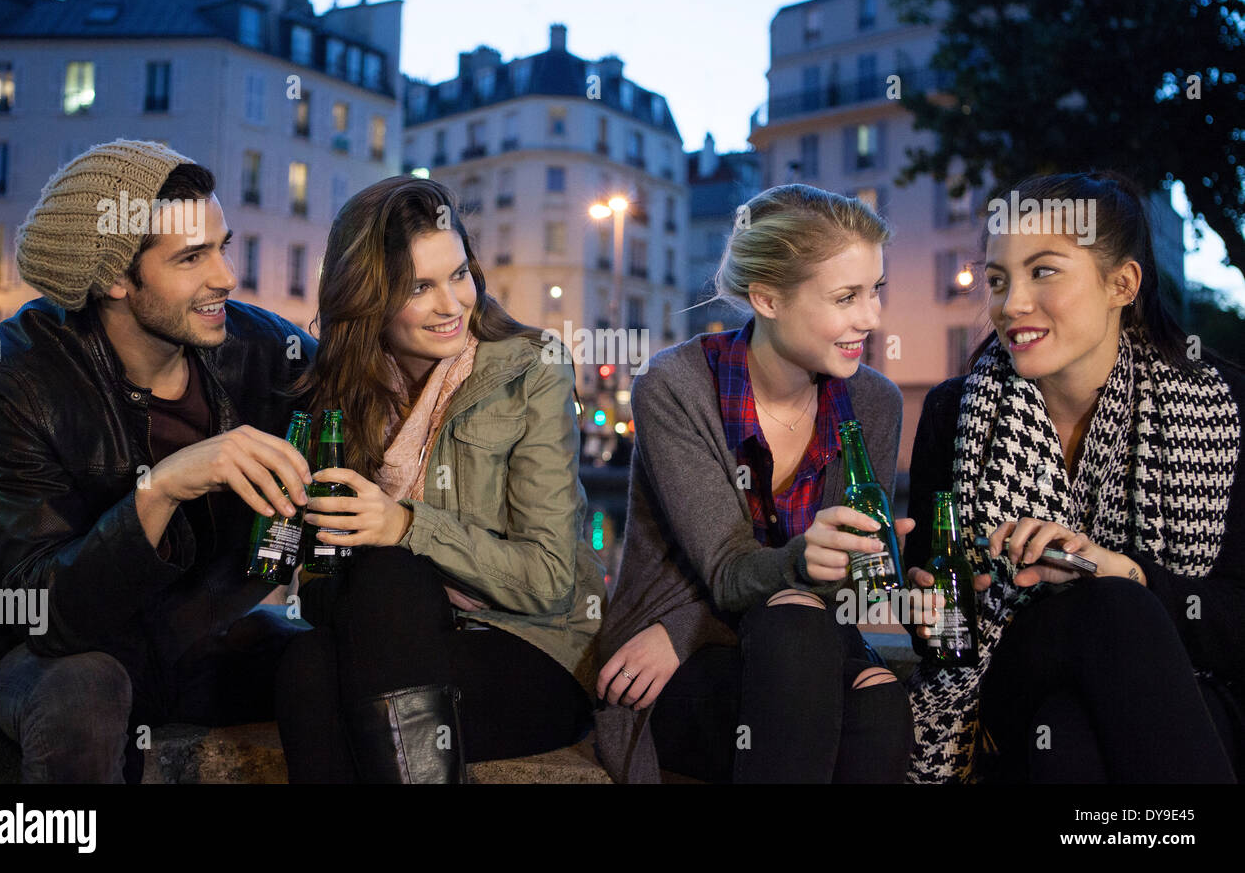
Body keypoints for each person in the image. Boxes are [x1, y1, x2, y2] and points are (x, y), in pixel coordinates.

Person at [0, 139, 317, 782]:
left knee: (333, 660)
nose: (225, 276)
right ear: (116, 277)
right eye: (191, 257)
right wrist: (162, 488)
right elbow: (46, 611)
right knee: (84, 689)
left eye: (222, 246)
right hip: (46, 653)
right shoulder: (18, 377)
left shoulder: (264, 348)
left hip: (196, 646)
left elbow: (377, 383)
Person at [906, 171, 1244, 783]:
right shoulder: (953, 413)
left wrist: (1126, 572)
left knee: (1066, 743)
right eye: (998, 279)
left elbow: (1235, 621)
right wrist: (929, 602)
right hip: (1005, 680)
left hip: (1185, 691)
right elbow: (936, 628)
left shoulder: (1225, 409)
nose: (1010, 305)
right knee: (1111, 611)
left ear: (1123, 283)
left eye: (1044, 271)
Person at [273, 177, 605, 783]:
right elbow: (320, 592)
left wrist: (405, 528)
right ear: (367, 296)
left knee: (387, 571)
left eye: (459, 274)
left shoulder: (530, 368)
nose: (452, 304)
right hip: (401, 641)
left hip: (534, 646)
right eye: (419, 287)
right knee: (307, 663)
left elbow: (552, 581)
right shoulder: (341, 393)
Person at [595, 184, 919, 783]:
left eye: (875, 290)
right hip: (685, 652)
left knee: (878, 699)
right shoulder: (676, 387)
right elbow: (728, 570)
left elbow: (850, 593)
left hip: (811, 639)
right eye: (847, 296)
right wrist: (683, 630)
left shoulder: (874, 401)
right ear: (767, 298)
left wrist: (882, 569)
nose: (872, 317)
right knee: (805, 639)